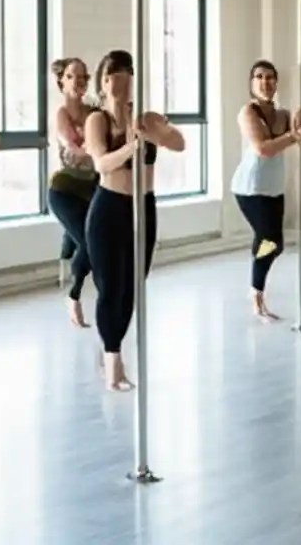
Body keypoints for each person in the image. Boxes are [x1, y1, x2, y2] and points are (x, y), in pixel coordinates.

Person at [83, 50, 185, 391]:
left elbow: (179, 143)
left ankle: (111, 346)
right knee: (112, 287)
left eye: (124, 73)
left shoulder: (145, 118)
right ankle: (114, 359)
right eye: (110, 75)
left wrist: (158, 131)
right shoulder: (98, 120)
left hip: (144, 206)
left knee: (133, 285)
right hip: (109, 207)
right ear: (102, 82)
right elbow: (101, 163)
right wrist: (131, 147)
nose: (117, 82)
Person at [230, 60, 301, 323]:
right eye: (259, 77)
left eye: (270, 78)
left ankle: (256, 284)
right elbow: (263, 148)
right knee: (270, 240)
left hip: (275, 186)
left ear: (276, 83)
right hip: (250, 187)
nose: (265, 82)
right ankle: (256, 295)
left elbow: (299, 138)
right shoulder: (248, 112)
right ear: (252, 83)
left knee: (273, 244)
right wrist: (295, 136)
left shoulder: (283, 114)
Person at [48, 57, 98, 328]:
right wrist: (94, 149)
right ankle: (74, 297)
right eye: (72, 77)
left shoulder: (93, 112)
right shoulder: (61, 114)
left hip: (91, 190)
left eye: (82, 77)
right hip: (65, 190)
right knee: (91, 244)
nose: (78, 82)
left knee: (93, 242)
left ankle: (70, 247)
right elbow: (74, 151)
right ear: (62, 81)